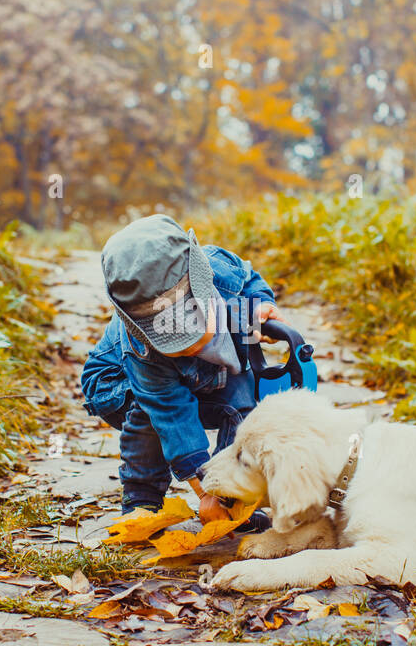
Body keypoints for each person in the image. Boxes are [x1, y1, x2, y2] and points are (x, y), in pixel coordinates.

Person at [80, 214, 284, 524]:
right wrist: (204, 493)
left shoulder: (220, 269)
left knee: (244, 401)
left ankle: (233, 496)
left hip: (203, 374)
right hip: (118, 384)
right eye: (169, 337)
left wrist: (258, 306)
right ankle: (142, 498)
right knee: (149, 412)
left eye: (190, 325)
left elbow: (251, 280)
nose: (185, 345)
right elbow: (171, 414)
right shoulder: (143, 348)